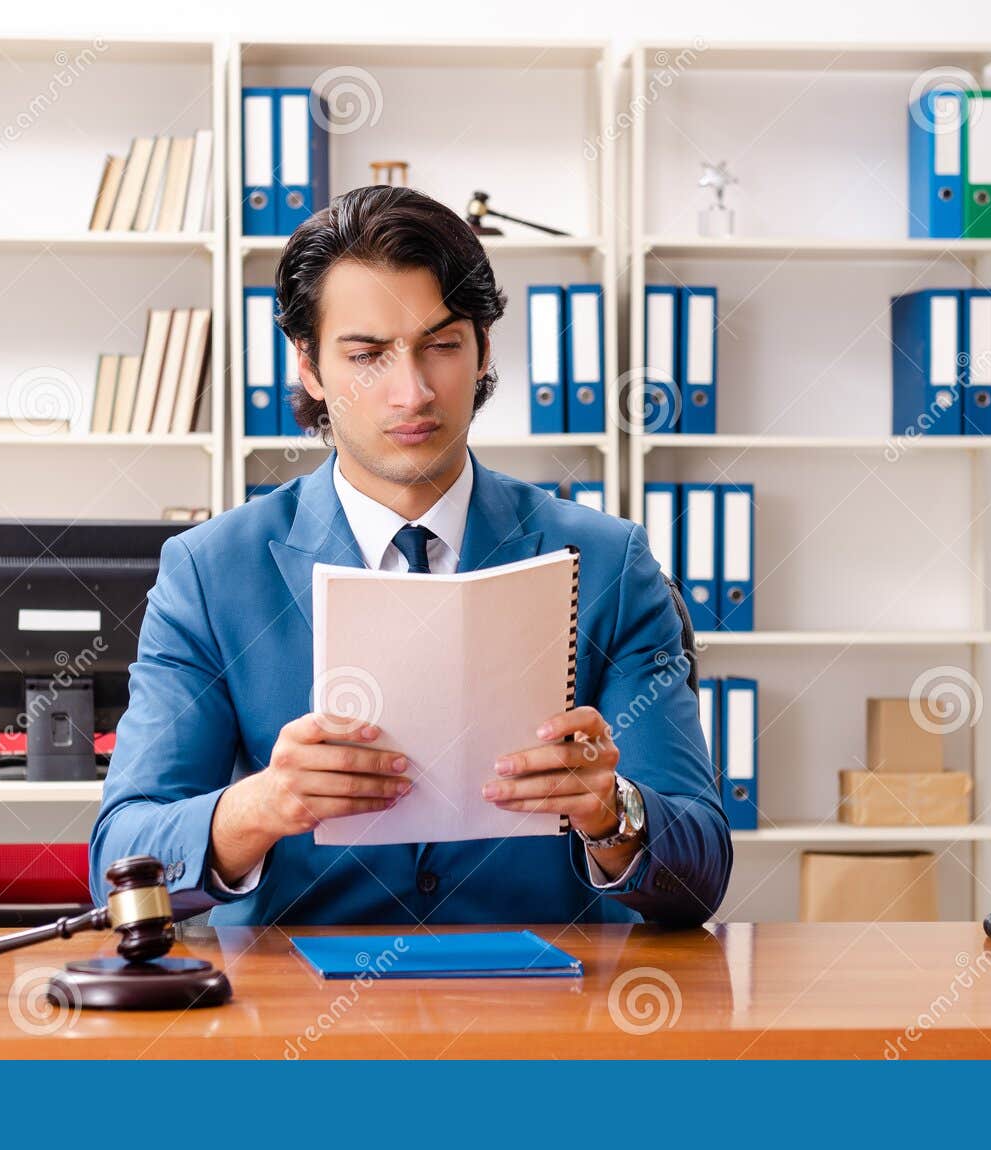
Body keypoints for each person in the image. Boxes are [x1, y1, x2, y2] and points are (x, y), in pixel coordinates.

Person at [90, 185, 731, 925]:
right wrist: (259, 807)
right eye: (367, 355)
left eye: (442, 345)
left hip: (551, 1017)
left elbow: (701, 873)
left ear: (485, 349)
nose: (413, 391)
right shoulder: (210, 573)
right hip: (295, 1019)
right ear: (310, 367)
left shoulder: (610, 562)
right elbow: (118, 868)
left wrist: (614, 815)